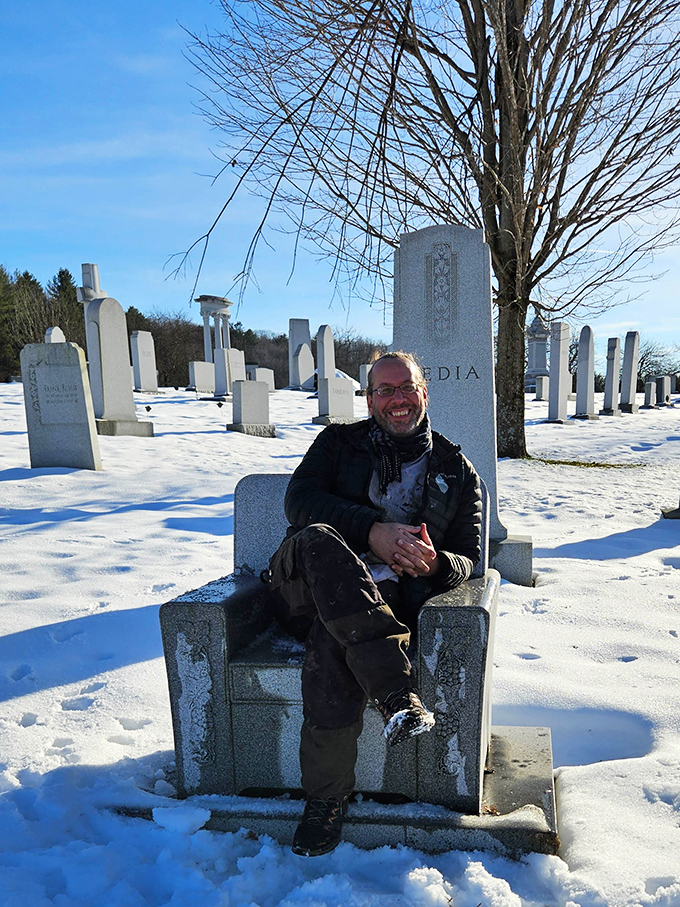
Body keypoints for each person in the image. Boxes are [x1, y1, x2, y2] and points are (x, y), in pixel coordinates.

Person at [268, 351, 482, 856]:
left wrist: (433, 565)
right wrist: (372, 531)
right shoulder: (338, 443)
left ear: (424, 391)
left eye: (405, 387)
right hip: (303, 579)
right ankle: (396, 694)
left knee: (336, 633)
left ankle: (324, 803)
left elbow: (470, 558)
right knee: (321, 537)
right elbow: (298, 502)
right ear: (369, 399)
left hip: (377, 603)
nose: (397, 399)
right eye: (383, 390)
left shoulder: (455, 468)